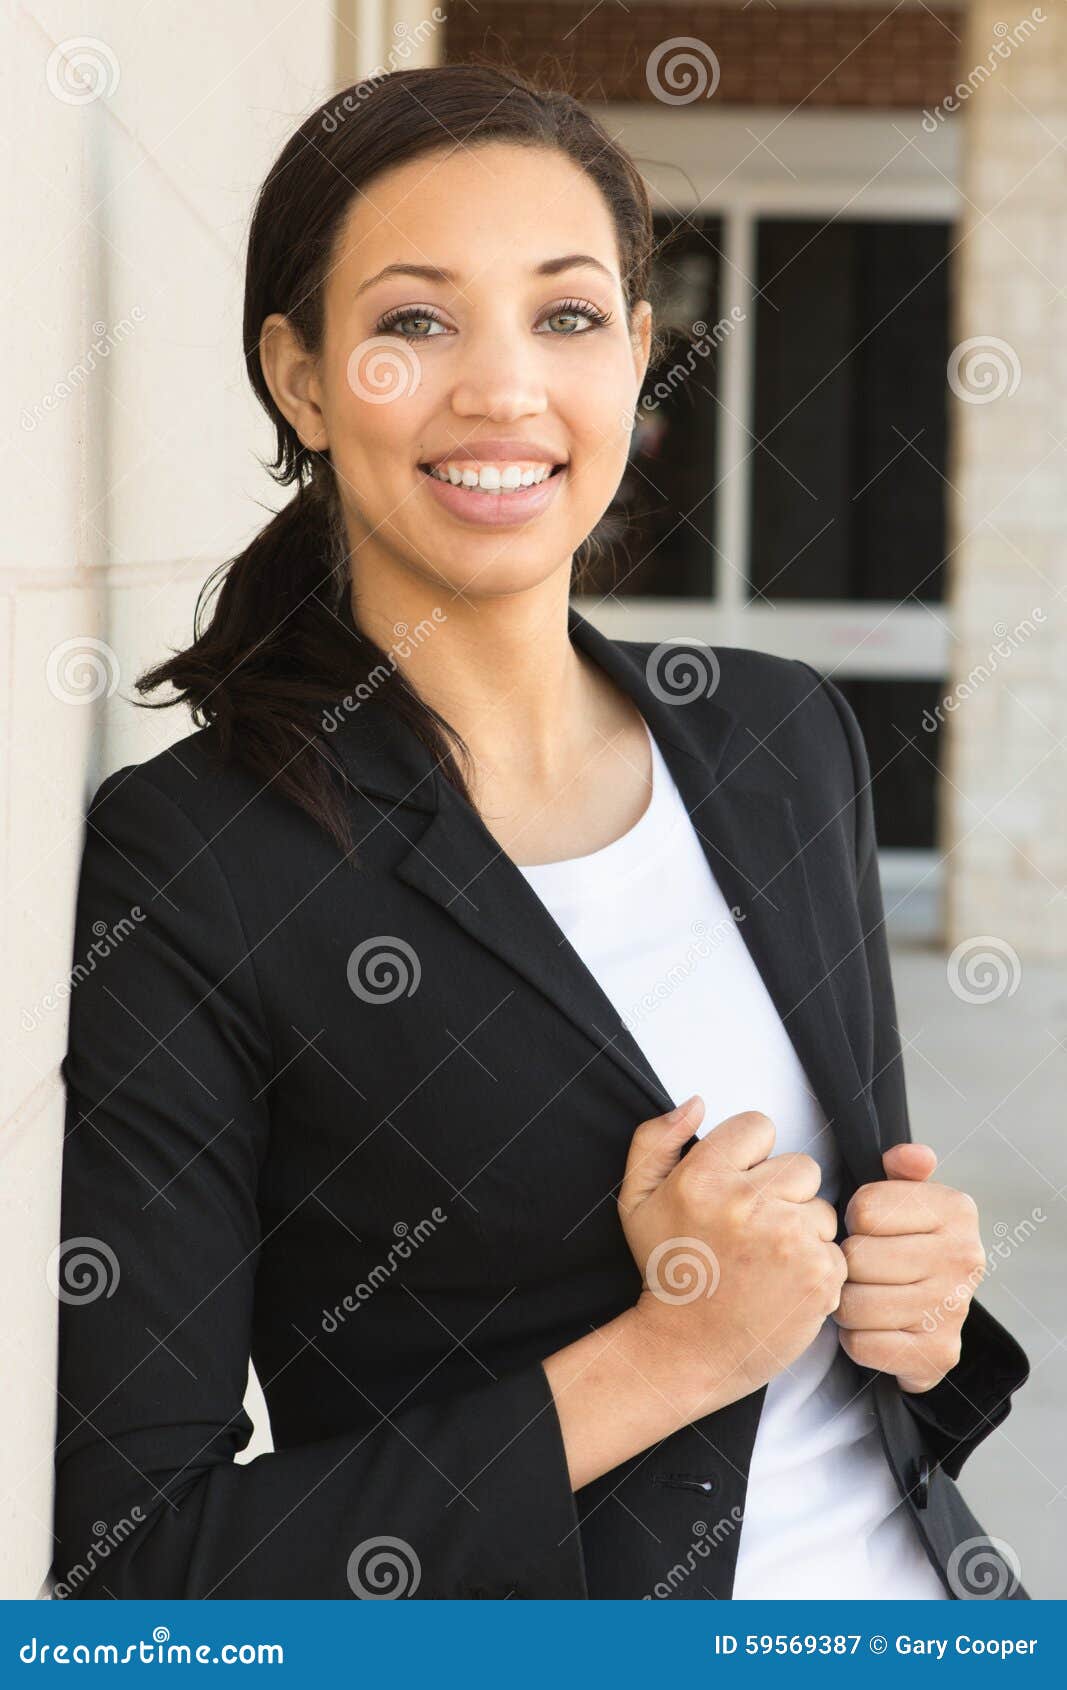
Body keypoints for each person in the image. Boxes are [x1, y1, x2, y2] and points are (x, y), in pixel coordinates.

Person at [52, 63, 1028, 1601]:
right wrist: (665, 1357)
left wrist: (918, 1298)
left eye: (567, 316)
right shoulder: (198, 859)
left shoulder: (785, 740)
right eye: (414, 321)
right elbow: (136, 1574)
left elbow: (856, 1306)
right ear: (301, 378)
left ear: (639, 357)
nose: (504, 390)